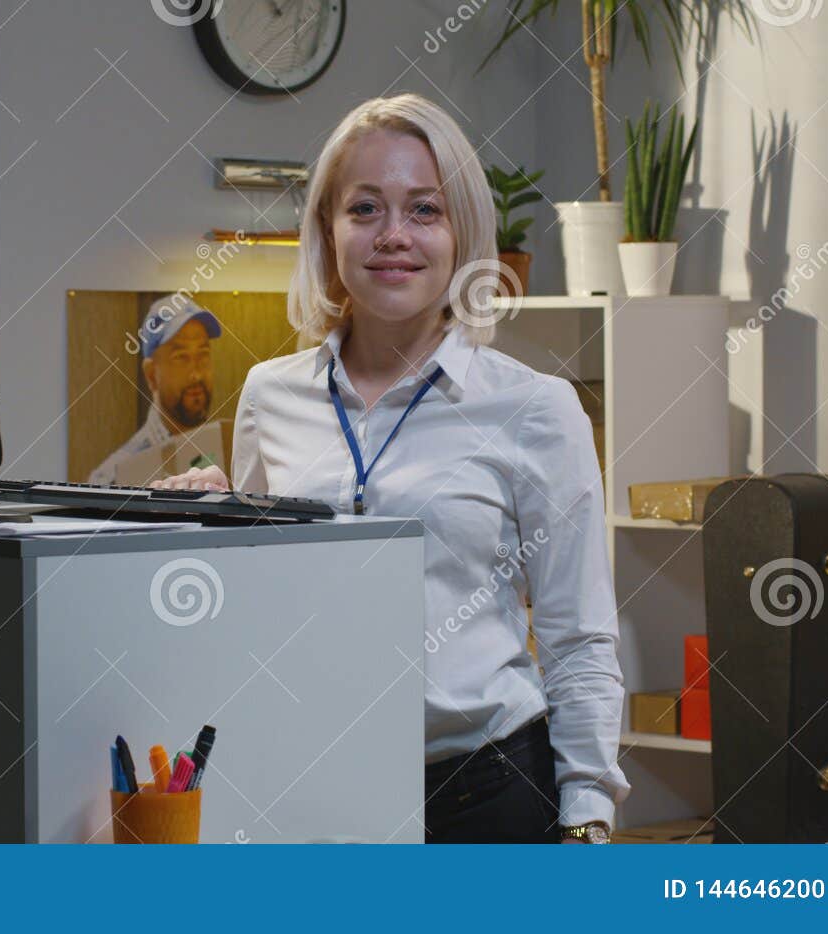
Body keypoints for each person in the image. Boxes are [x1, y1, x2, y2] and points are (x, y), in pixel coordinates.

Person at [153, 93, 627, 843]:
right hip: (313, 793)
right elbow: (259, 611)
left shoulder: (536, 409)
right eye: (365, 208)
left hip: (486, 794)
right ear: (327, 231)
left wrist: (588, 818)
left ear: (462, 232)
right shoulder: (270, 396)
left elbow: (579, 637)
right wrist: (210, 526)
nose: (394, 235)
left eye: (425, 210)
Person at [89, 293, 222, 486]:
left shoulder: (231, 456)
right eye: (181, 357)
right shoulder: (115, 478)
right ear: (151, 374)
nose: (196, 374)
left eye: (203, 354)